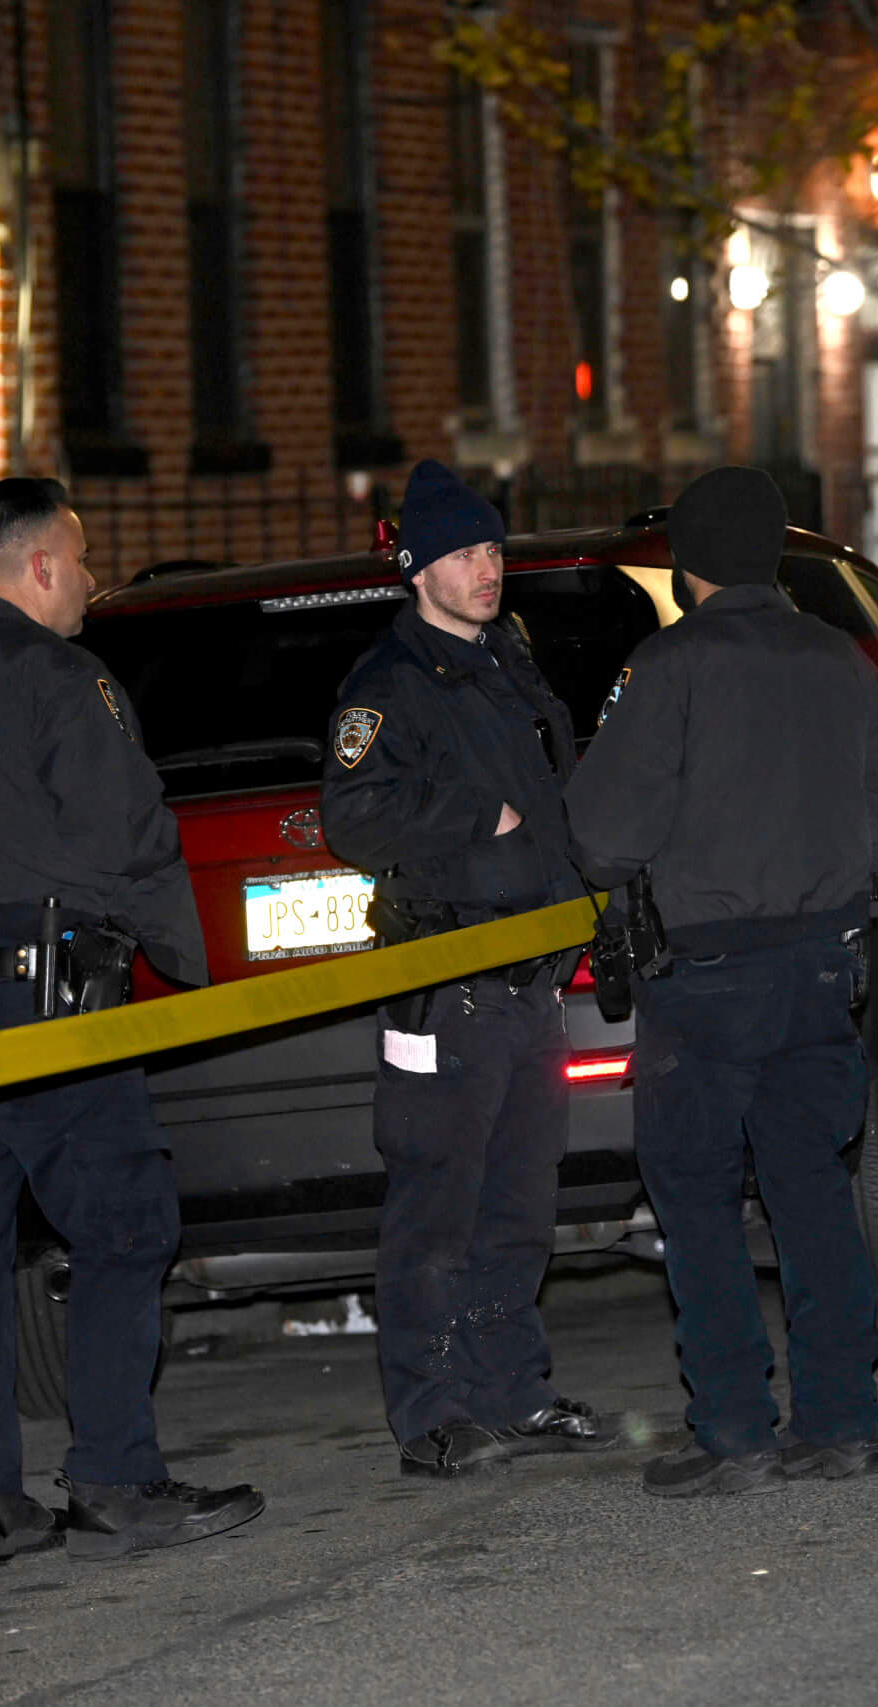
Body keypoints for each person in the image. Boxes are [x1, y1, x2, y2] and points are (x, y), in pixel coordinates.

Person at [0, 477, 263, 1565]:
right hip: (43, 1004)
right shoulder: (61, 677)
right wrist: (188, 966)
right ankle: (115, 1480)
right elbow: (128, 836)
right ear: (39, 566)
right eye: (79, 559)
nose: (88, 578)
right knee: (127, 1220)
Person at [566, 465, 878, 1497]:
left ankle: (734, 1429)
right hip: (821, 966)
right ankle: (843, 1422)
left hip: (707, 977)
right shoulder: (842, 661)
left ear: (687, 566)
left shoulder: (669, 668)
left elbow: (602, 837)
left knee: (696, 1202)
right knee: (812, 1192)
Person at [320, 459, 617, 1479]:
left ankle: (511, 1390)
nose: (487, 568)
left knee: (519, 1205)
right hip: (445, 992)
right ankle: (433, 1413)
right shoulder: (391, 683)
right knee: (435, 1207)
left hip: (529, 985)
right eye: (463, 553)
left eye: (493, 548)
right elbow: (353, 815)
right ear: (418, 569)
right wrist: (472, 814)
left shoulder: (504, 656)